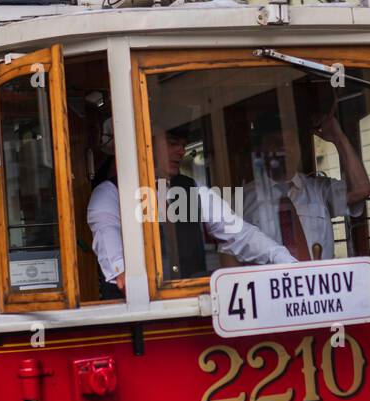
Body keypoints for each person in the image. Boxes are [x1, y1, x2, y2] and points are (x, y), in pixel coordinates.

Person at [87, 126, 296, 296]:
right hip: (138, 323)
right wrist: (122, 271)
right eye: (172, 143)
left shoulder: (191, 189)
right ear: (145, 143)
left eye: (182, 145)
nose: (181, 151)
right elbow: (108, 239)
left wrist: (286, 262)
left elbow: (241, 234)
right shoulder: (109, 194)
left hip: (189, 311)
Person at [240, 111, 370, 261]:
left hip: (319, 282)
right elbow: (228, 251)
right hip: (268, 283)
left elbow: (361, 190)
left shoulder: (319, 190)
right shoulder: (242, 199)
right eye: (275, 142)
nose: (284, 149)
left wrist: (338, 138)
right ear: (261, 150)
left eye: (290, 142)